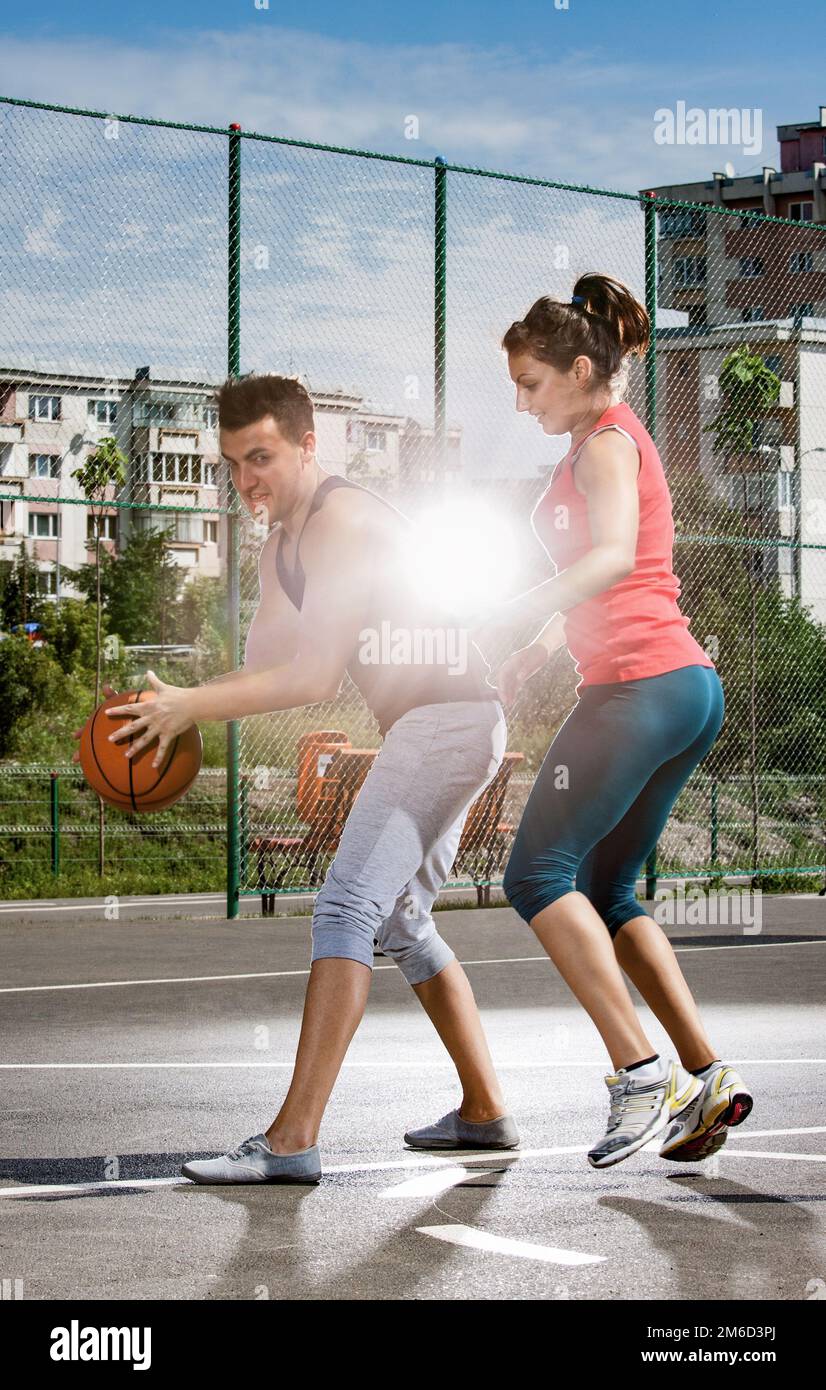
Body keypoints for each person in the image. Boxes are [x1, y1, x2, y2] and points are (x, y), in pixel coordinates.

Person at [95, 373, 519, 1184]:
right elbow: (265, 669)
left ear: (306, 444)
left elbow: (316, 677)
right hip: (442, 724)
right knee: (398, 919)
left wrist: (193, 707)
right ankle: (484, 1110)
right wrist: (174, 706)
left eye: (262, 457)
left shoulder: (342, 521)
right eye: (233, 464)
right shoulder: (281, 544)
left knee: (346, 907)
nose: (248, 479)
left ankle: (292, 1141)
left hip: (446, 720)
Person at [475, 273, 753, 1167]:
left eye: (531, 385)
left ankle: (639, 1071)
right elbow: (610, 578)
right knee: (607, 889)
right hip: (678, 687)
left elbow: (612, 559)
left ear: (583, 368)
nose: (521, 403)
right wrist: (540, 648)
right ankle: (702, 1074)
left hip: (640, 687)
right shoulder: (595, 443)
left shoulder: (605, 445)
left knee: (534, 875)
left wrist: (507, 613)